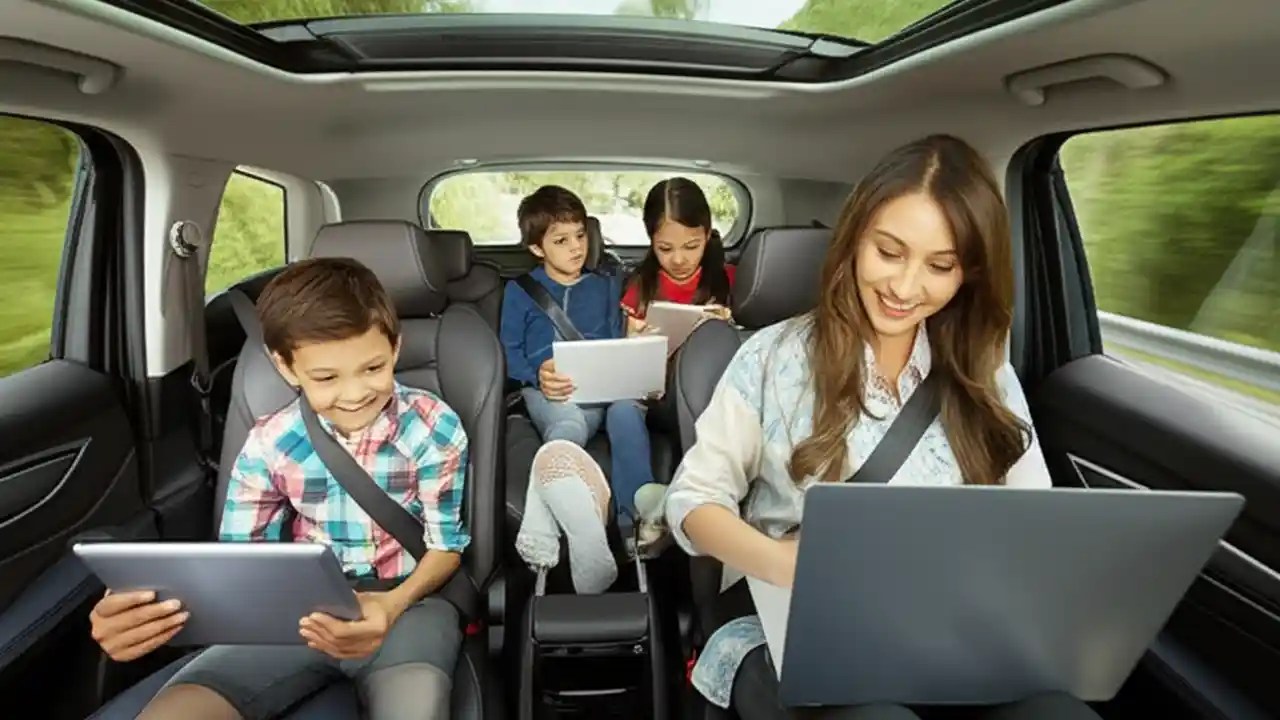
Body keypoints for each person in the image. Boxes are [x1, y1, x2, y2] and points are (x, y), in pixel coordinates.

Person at [663, 135, 1103, 720]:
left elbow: (1032, 518)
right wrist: (780, 562)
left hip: (955, 627)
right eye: (889, 252)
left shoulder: (985, 371)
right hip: (807, 620)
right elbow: (692, 500)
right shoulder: (770, 358)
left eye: (939, 266)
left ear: (967, 273)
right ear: (855, 240)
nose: (904, 287)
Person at [87, 257, 470, 720]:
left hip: (411, 601)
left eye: (373, 368)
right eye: (326, 377)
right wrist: (154, 607)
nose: (354, 394)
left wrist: (391, 605)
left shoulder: (434, 426)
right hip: (297, 608)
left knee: (417, 707)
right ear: (286, 367)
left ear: (396, 347)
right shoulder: (270, 443)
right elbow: (244, 562)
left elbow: (446, 546)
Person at [499, 185, 663, 594]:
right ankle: (580, 530)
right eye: (560, 241)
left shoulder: (606, 285)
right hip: (554, 389)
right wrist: (537, 375)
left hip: (605, 384)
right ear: (537, 249)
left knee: (626, 412)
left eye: (579, 236)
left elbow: (615, 339)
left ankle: (633, 525)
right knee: (568, 422)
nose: (575, 248)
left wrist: (633, 338)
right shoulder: (519, 291)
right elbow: (507, 351)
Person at [621, 176, 737, 333]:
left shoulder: (732, 281)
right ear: (652, 240)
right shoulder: (640, 289)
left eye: (691, 247)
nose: (678, 260)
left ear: (707, 235)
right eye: (665, 249)